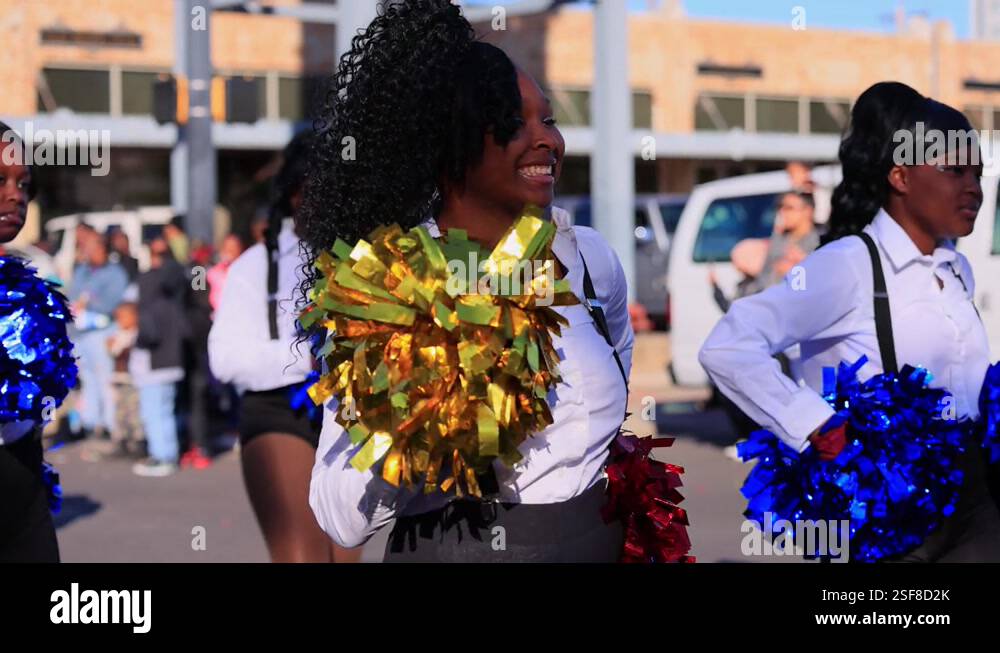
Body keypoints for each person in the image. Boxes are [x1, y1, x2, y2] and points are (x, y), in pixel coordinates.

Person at [303, 0, 633, 562]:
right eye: (512, 124)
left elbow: (617, 356)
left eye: (548, 120)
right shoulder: (390, 289)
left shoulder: (585, 256)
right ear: (450, 145)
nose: (547, 142)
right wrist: (416, 414)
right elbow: (337, 514)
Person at [699, 81, 1000, 562]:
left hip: (975, 505)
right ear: (900, 177)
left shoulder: (954, 268)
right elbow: (728, 345)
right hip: (891, 516)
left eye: (978, 173)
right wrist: (814, 424)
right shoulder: (848, 265)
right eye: (954, 169)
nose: (972, 187)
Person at [209, 134, 360, 563]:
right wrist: (304, 360)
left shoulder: (370, 259)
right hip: (280, 411)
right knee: (303, 557)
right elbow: (225, 358)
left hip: (350, 414)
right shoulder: (256, 265)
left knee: (346, 557)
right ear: (296, 192)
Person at [0, 121, 64, 562]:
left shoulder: (29, 285)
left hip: (23, 490)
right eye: (0, 181)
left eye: (23, 182)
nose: (15, 195)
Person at [131, 237, 188, 477]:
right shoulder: (178, 298)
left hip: (155, 362)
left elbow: (148, 334)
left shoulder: (150, 295)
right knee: (164, 410)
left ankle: (163, 456)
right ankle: (166, 454)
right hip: (172, 361)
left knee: (155, 411)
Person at [69, 232, 129, 442]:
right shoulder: (82, 271)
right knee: (87, 379)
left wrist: (89, 302)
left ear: (102, 249)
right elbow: (72, 294)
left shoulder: (115, 273)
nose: (88, 252)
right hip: (81, 333)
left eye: (92, 248)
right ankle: (90, 422)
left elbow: (113, 301)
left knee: (105, 379)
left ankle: (110, 424)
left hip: (102, 331)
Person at [106, 302, 144, 459]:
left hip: (133, 380)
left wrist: (118, 347)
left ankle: (138, 442)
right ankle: (122, 441)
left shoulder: (136, 335)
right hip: (120, 379)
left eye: (124, 317)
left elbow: (127, 354)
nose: (121, 321)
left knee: (134, 413)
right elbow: (113, 353)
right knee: (120, 412)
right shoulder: (119, 334)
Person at [207, 233, 245, 315]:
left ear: (240, 249)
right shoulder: (212, 273)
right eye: (227, 247)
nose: (230, 251)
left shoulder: (246, 272)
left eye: (233, 247)